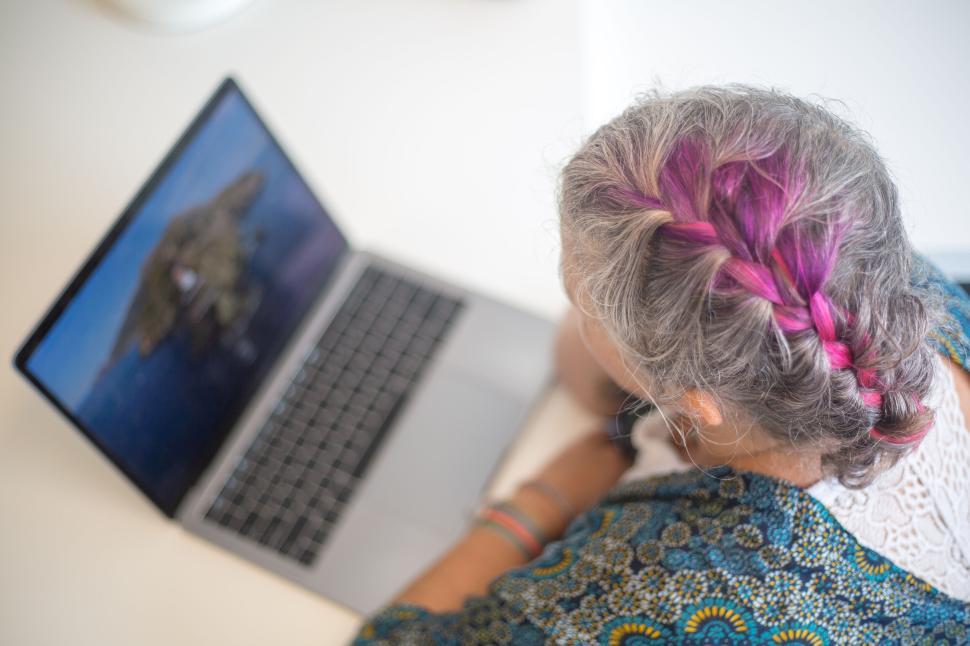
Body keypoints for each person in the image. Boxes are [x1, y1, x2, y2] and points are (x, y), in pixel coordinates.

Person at [353, 85, 970, 644]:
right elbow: (592, 368)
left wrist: (543, 501)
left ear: (697, 401)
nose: (573, 313)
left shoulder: (664, 588)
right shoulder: (845, 262)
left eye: (579, 299)